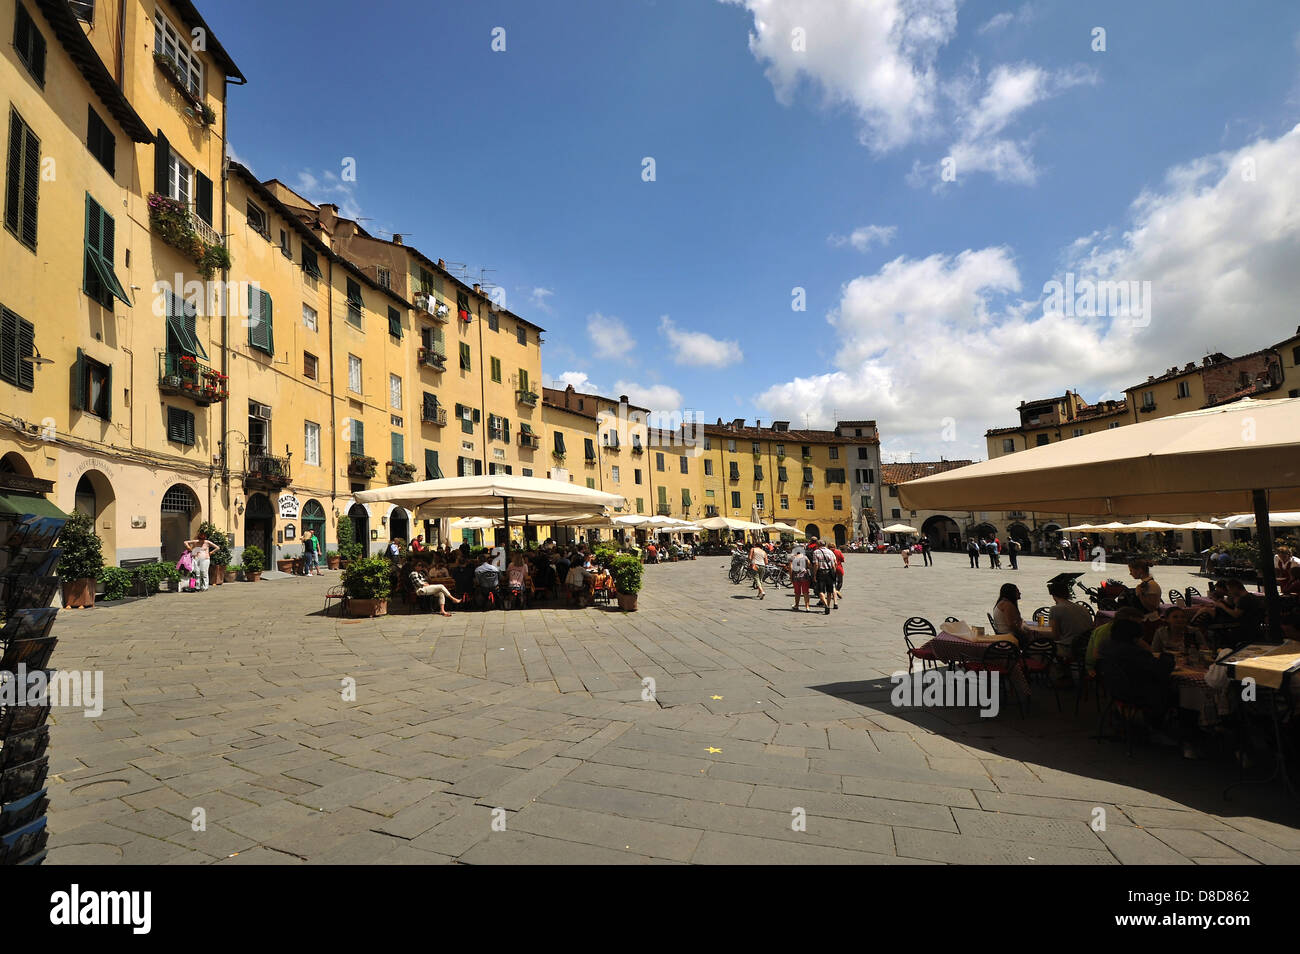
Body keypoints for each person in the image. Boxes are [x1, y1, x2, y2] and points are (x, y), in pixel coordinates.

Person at [1047, 581, 1093, 663]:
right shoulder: (1083, 608)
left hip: (1068, 648)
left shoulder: (1055, 609)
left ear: (1053, 595)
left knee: (1039, 647)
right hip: (1085, 647)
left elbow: (1055, 636)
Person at [809, 540, 838, 614]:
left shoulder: (816, 552)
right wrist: (833, 573)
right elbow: (835, 563)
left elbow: (816, 564)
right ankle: (828, 605)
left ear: (818, 544)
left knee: (821, 591)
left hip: (821, 573)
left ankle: (826, 605)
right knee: (829, 591)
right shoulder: (830, 552)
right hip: (830, 572)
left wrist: (814, 575)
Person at [789, 546, 811, 612]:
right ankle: (807, 607)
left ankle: (796, 605)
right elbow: (809, 564)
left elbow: (790, 567)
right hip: (804, 575)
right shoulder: (804, 557)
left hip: (796, 576)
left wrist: (790, 576)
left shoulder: (792, 557)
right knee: (806, 592)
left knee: (797, 592)